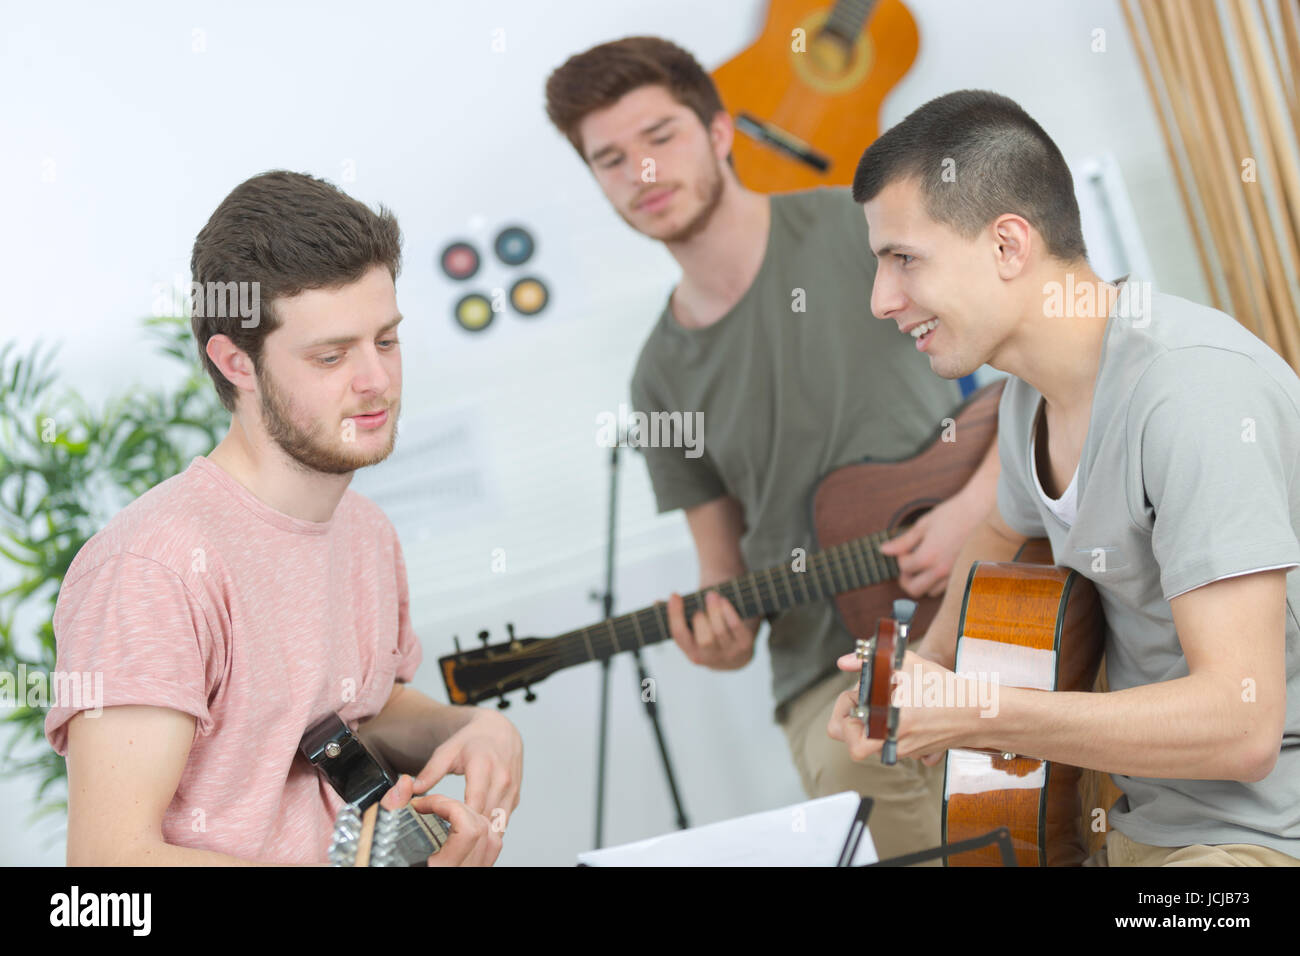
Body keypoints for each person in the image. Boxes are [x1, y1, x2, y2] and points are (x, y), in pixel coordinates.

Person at [545, 37, 1000, 862]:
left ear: (720, 132)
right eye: (609, 159)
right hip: (832, 667)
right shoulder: (657, 381)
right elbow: (721, 573)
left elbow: (1049, 361)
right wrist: (718, 640)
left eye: (660, 137)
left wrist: (975, 507)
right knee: (867, 768)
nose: (642, 172)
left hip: (994, 591)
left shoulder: (862, 227)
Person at [828, 89, 1300, 866]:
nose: (882, 300)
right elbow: (995, 531)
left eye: (903, 259)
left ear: (1008, 245)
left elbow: (1242, 728)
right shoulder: (1030, 401)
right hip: (1147, 830)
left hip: (1265, 842)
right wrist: (925, 666)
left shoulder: (1195, 394)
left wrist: (976, 712)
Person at [45, 171, 520, 866]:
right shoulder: (151, 571)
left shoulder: (365, 530)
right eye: (331, 355)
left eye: (386, 341)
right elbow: (110, 865)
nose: (376, 381)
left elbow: (350, 714)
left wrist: (474, 727)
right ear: (236, 362)